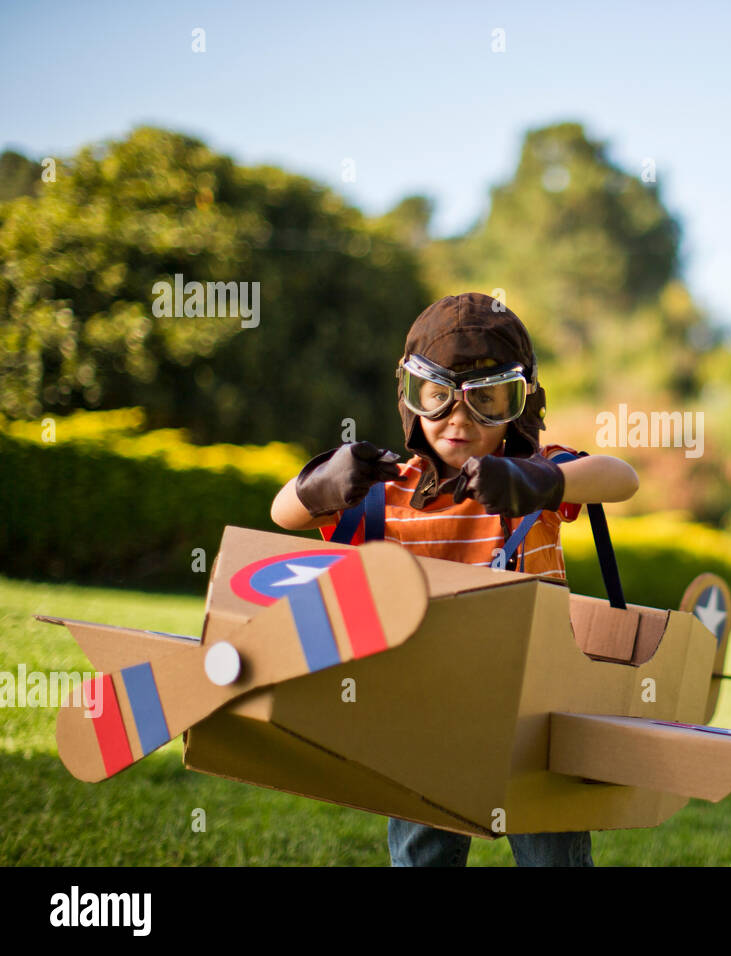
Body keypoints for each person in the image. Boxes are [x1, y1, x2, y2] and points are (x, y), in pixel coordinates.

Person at [269, 292, 639, 866]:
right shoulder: (382, 490)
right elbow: (282, 515)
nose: (458, 420)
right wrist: (317, 483)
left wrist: (537, 482)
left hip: (535, 715)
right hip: (424, 714)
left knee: (553, 858)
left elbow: (621, 478)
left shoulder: (535, 476)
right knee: (423, 856)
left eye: (487, 401)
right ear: (411, 397)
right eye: (437, 398)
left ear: (520, 405)